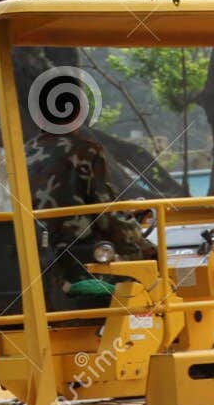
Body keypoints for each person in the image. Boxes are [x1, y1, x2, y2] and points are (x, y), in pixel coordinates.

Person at [25, 102, 156, 280]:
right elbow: (106, 216)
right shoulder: (86, 151)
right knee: (151, 261)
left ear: (38, 117)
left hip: (37, 259)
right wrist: (137, 236)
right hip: (82, 261)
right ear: (78, 114)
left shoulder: (24, 153)